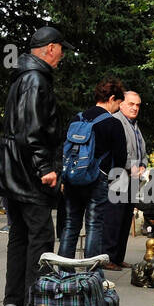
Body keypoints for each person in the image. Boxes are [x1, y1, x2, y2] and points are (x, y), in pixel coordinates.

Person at [0, 26, 72, 306]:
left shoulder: (26, 76)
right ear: (50, 48)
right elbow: (32, 128)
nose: (62, 56)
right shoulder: (36, 79)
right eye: (61, 49)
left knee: (20, 235)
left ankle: (15, 300)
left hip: (15, 169)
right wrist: (45, 167)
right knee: (41, 236)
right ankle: (37, 302)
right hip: (28, 172)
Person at [59, 79, 127, 265]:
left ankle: (64, 271)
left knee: (71, 224)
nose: (118, 108)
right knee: (94, 225)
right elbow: (120, 158)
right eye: (119, 103)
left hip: (73, 178)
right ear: (112, 98)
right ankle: (90, 275)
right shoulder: (113, 123)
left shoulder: (77, 118)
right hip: (98, 179)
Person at [109, 90, 146, 267]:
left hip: (132, 178)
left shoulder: (135, 126)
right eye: (131, 104)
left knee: (125, 220)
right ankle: (108, 257)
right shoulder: (116, 121)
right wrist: (133, 166)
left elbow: (142, 152)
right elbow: (118, 151)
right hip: (119, 176)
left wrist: (143, 165)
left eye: (137, 105)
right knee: (114, 219)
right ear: (121, 104)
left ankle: (117, 257)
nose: (135, 108)